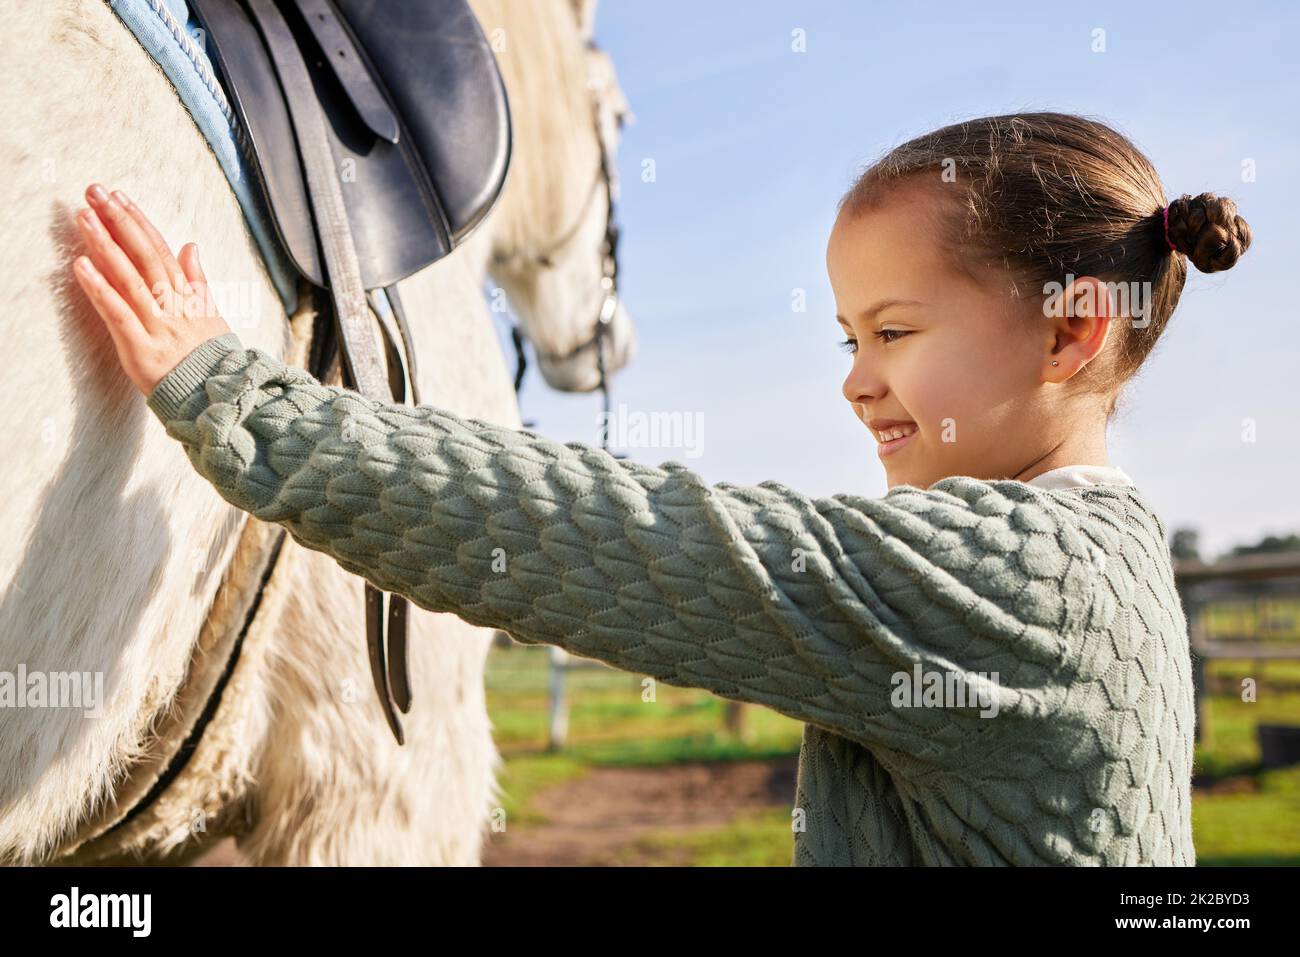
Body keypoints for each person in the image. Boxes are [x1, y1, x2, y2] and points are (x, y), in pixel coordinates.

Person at [70, 111, 1252, 866]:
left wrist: (235, 395)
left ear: (1071, 333)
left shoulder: (1010, 578)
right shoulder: (1110, 554)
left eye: (893, 330)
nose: (859, 383)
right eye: (845, 340)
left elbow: (613, 538)